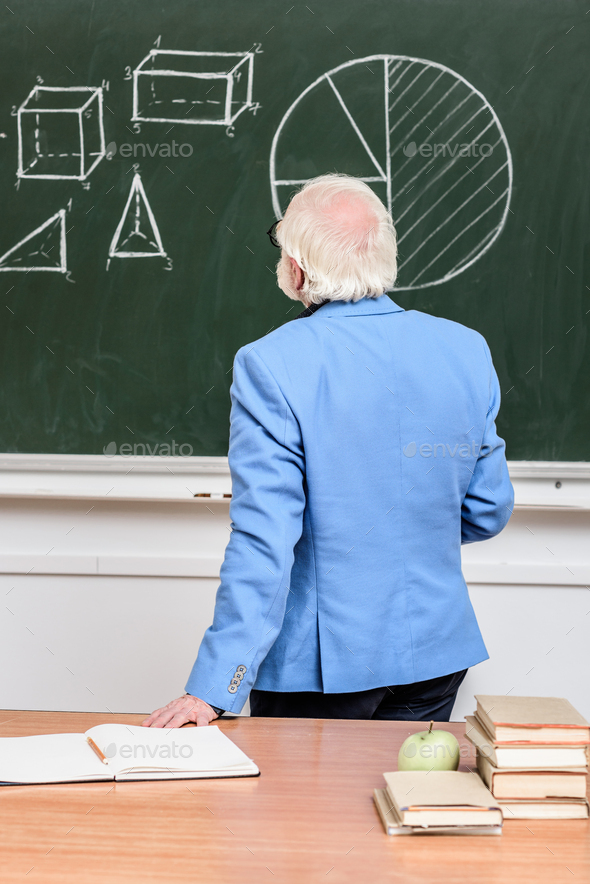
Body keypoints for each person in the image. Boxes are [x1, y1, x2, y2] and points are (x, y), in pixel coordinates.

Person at [143, 173, 513, 729]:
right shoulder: (465, 348)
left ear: (297, 268)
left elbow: (265, 539)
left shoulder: (270, 364)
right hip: (435, 654)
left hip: (321, 668)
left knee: (303, 817)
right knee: (399, 810)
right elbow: (486, 512)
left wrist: (217, 686)